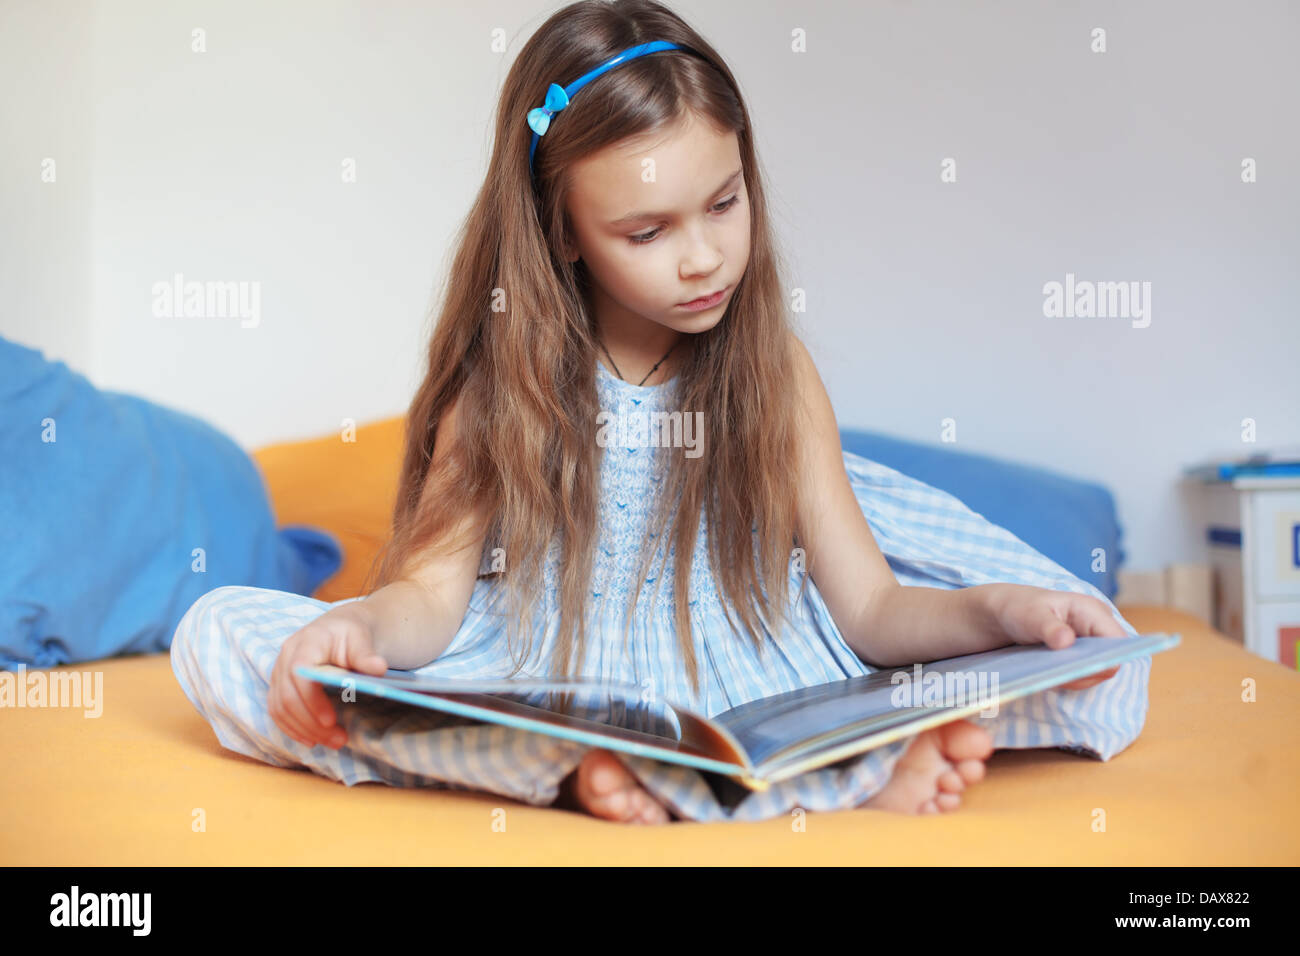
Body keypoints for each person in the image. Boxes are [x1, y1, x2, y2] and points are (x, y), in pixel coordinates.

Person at [170, 0, 1149, 825]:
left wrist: (995, 612)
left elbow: (873, 608)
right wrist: (356, 633)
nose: (703, 258)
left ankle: (705, 772)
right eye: (646, 230)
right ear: (561, 232)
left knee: (1091, 647)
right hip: (550, 674)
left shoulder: (775, 370)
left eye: (723, 204)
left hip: (746, 672)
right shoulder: (502, 384)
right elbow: (429, 599)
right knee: (222, 636)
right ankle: (595, 766)